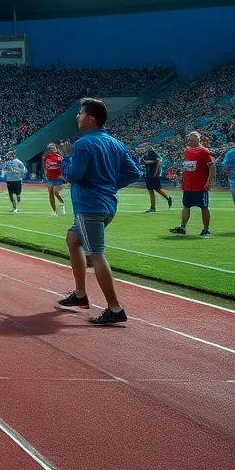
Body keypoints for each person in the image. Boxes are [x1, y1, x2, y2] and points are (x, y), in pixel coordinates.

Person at [56, 99, 141, 326]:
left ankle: (115, 308)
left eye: (80, 114)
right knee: (73, 239)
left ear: (91, 118)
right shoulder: (115, 143)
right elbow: (134, 173)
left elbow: (73, 175)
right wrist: (110, 185)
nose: (77, 117)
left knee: (96, 253)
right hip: (107, 204)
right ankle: (80, 294)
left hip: (89, 205)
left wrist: (65, 157)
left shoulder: (83, 144)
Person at [168, 132, 213, 237]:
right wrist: (181, 181)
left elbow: (212, 166)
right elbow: (186, 167)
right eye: (190, 138)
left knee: (204, 206)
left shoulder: (204, 151)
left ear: (199, 139)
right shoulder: (187, 151)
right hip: (188, 185)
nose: (192, 140)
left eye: (195, 138)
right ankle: (182, 227)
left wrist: (210, 180)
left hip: (201, 185)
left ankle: (206, 229)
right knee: (186, 206)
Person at [139, 141, 172, 212]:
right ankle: (152, 207)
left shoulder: (153, 153)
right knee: (151, 190)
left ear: (149, 145)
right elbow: (143, 162)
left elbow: (159, 162)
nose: (144, 147)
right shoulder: (146, 154)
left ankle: (167, 197)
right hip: (148, 173)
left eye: (145, 146)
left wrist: (156, 172)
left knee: (157, 189)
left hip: (153, 173)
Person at [42, 143, 66, 216]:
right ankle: (54, 211)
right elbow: (45, 165)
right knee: (50, 194)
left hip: (58, 178)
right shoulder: (46, 157)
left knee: (55, 192)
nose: (51, 149)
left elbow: (63, 166)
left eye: (52, 147)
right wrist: (45, 172)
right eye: (49, 148)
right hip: (49, 178)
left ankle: (62, 203)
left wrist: (63, 175)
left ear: (55, 148)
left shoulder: (59, 157)